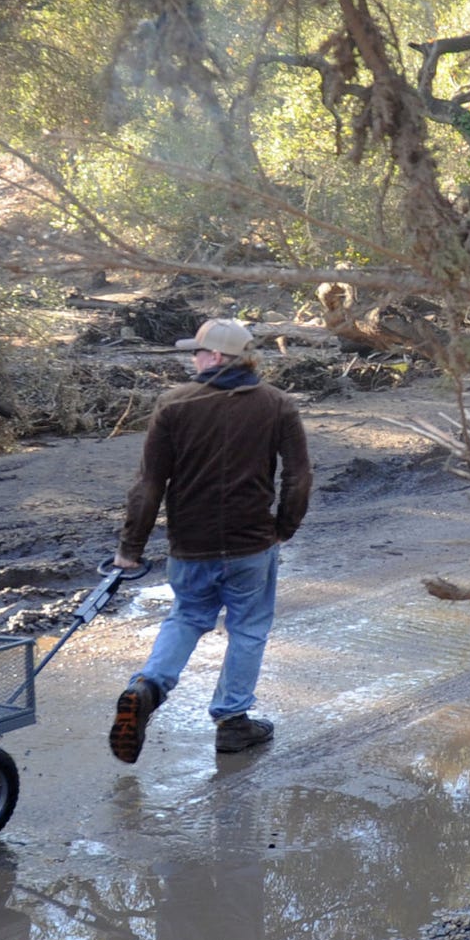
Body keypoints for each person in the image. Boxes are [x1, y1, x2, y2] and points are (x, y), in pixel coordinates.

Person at [108, 317, 312, 762]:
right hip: (251, 544)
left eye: (198, 352)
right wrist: (283, 529)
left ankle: (148, 687)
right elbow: (299, 477)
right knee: (249, 628)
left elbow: (148, 484)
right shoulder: (277, 405)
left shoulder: (173, 405)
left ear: (217, 357)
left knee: (186, 617)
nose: (193, 359)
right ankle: (233, 723)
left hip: (191, 545)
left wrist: (130, 550)